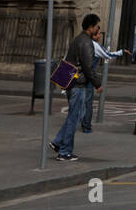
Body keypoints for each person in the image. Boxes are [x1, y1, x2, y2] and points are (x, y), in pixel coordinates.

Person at [50, 14, 102, 160]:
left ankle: (58, 142)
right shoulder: (86, 43)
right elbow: (88, 67)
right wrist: (97, 84)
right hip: (78, 84)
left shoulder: (77, 39)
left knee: (76, 115)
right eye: (97, 27)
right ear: (91, 27)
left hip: (72, 82)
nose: (99, 29)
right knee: (74, 117)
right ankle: (64, 152)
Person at [82, 28, 128, 133]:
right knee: (88, 102)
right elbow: (108, 55)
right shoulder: (95, 45)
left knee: (79, 101)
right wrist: (121, 52)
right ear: (93, 35)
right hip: (88, 78)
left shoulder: (81, 42)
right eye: (98, 34)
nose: (99, 36)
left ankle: (78, 122)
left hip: (78, 76)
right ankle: (86, 126)